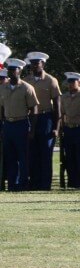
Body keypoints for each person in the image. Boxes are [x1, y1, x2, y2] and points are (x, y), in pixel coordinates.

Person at [25, 52, 61, 190]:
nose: (34, 66)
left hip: (46, 118)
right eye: (32, 63)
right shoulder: (27, 80)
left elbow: (57, 105)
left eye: (37, 63)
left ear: (43, 64)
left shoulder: (51, 80)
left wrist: (56, 127)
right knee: (33, 153)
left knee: (45, 153)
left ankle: (45, 184)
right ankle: (34, 183)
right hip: (31, 118)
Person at [1, 59, 39, 191]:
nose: (11, 72)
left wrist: (32, 129)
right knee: (10, 156)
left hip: (21, 123)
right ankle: (12, 184)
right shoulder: (2, 88)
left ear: (20, 71)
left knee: (22, 157)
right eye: (10, 69)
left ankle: (23, 184)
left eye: (14, 69)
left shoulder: (27, 88)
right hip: (8, 124)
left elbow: (34, 110)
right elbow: (1, 108)